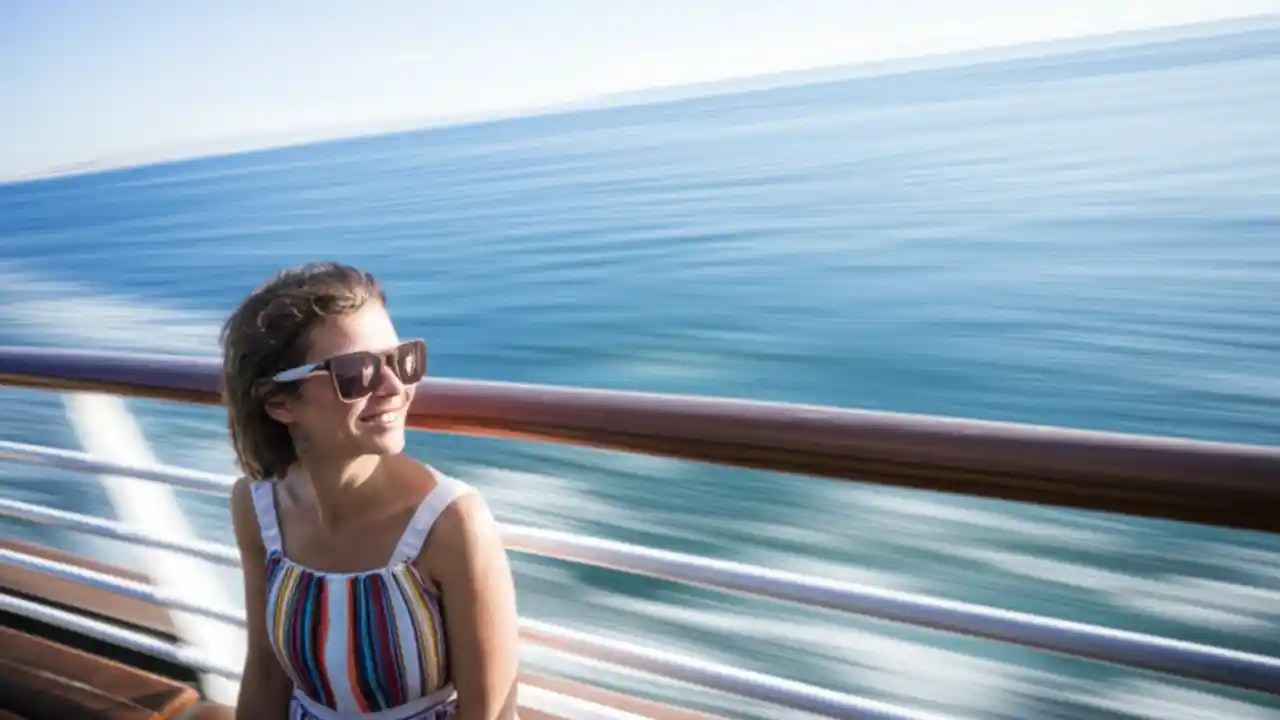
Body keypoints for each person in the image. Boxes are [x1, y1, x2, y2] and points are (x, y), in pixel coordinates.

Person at [221, 262, 519, 720]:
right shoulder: (259, 507)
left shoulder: (451, 524)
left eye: (401, 359)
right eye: (355, 372)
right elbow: (265, 672)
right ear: (280, 402)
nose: (395, 386)